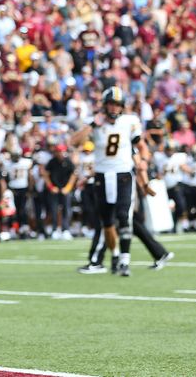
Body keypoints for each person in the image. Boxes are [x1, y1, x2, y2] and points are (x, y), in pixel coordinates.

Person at [70, 87, 147, 277]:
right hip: (102, 176)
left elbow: (141, 145)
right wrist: (92, 125)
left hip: (123, 174)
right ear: (105, 106)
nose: (114, 108)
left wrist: (143, 162)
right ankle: (114, 255)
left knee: (123, 216)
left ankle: (125, 261)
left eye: (117, 105)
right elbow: (74, 141)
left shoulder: (130, 121)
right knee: (107, 223)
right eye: (111, 104)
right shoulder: (96, 123)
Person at [42, 144, 76, 240]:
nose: (60, 153)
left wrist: (68, 187)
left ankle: (65, 230)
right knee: (53, 210)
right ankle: (54, 230)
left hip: (65, 189)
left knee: (66, 210)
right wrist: (51, 187)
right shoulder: (52, 162)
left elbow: (73, 175)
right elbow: (46, 175)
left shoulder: (68, 162)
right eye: (58, 151)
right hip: (54, 190)